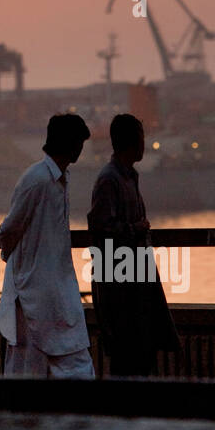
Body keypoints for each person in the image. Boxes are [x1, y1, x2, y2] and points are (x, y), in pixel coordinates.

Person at [0, 114, 95, 379]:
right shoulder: (36, 180)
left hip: (50, 288)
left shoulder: (58, 179)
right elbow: (8, 229)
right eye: (78, 142)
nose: (81, 149)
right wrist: (22, 265)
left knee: (38, 359)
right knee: (48, 358)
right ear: (69, 143)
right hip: (35, 290)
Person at [87, 114, 180, 376]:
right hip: (121, 291)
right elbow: (101, 228)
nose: (144, 143)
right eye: (141, 138)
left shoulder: (127, 177)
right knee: (127, 358)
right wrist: (135, 228)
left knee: (142, 354)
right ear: (131, 141)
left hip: (136, 285)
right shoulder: (110, 179)